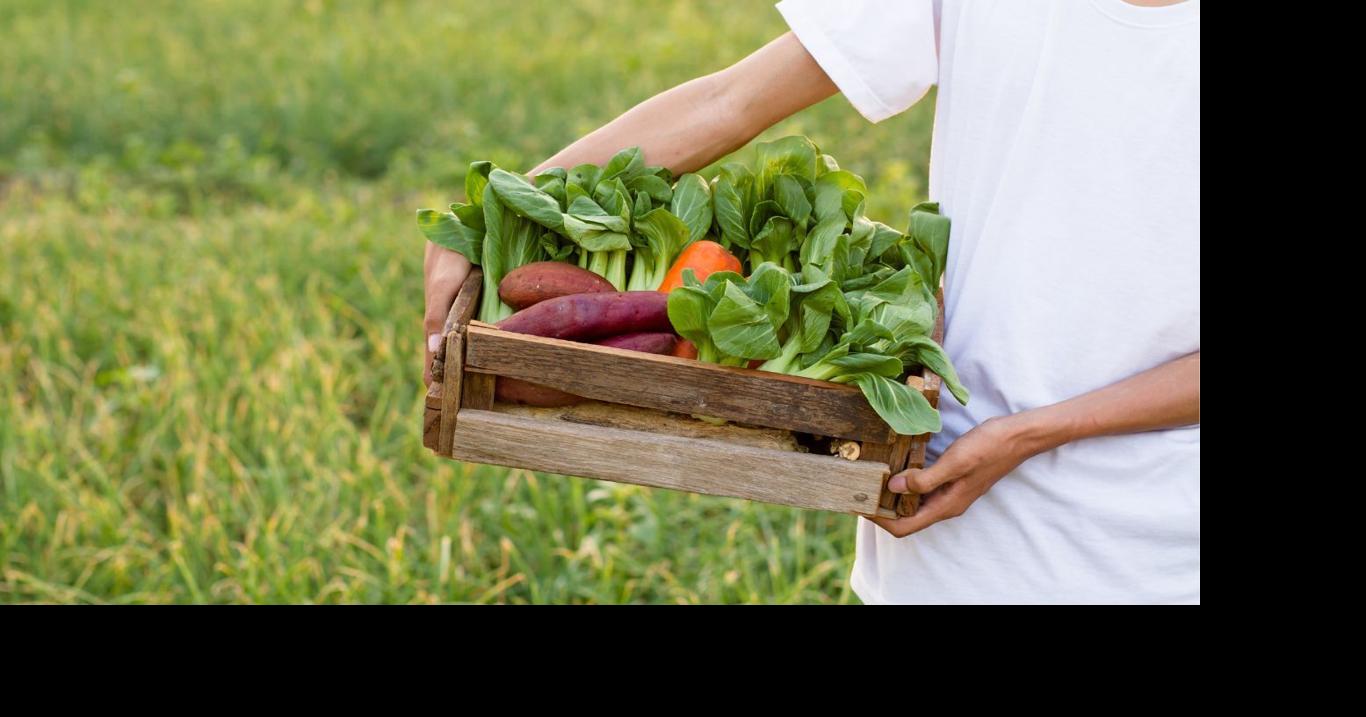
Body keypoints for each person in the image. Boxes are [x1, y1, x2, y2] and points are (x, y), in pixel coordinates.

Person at [422, 0, 1200, 604]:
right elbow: (730, 101)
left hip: (1147, 553)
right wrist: (499, 205)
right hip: (945, 534)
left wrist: (1030, 434)